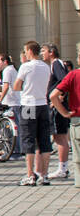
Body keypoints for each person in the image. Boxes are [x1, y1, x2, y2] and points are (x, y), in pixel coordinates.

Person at [14, 41, 52, 186]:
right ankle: (44, 174)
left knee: (28, 139)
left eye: (25, 51)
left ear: (30, 51)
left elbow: (17, 86)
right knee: (44, 140)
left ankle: (30, 175)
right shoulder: (46, 67)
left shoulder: (26, 66)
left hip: (29, 105)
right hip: (43, 104)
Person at [48, 62, 80, 193]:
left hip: (77, 120)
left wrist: (65, 113)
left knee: (78, 158)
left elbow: (53, 96)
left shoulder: (74, 75)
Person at [44, 43, 71, 180]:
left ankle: (63, 168)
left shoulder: (56, 64)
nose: (42, 53)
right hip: (59, 105)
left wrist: (60, 97)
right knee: (60, 136)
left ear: (51, 52)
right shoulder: (56, 64)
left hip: (57, 107)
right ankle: (63, 167)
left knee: (59, 136)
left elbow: (64, 80)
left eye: (44, 51)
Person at [0, 53, 21, 158]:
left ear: (5, 61)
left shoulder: (7, 71)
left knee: (10, 129)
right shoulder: (12, 69)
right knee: (16, 127)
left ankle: (14, 151)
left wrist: (0, 100)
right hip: (16, 101)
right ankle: (17, 150)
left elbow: (6, 87)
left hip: (11, 103)